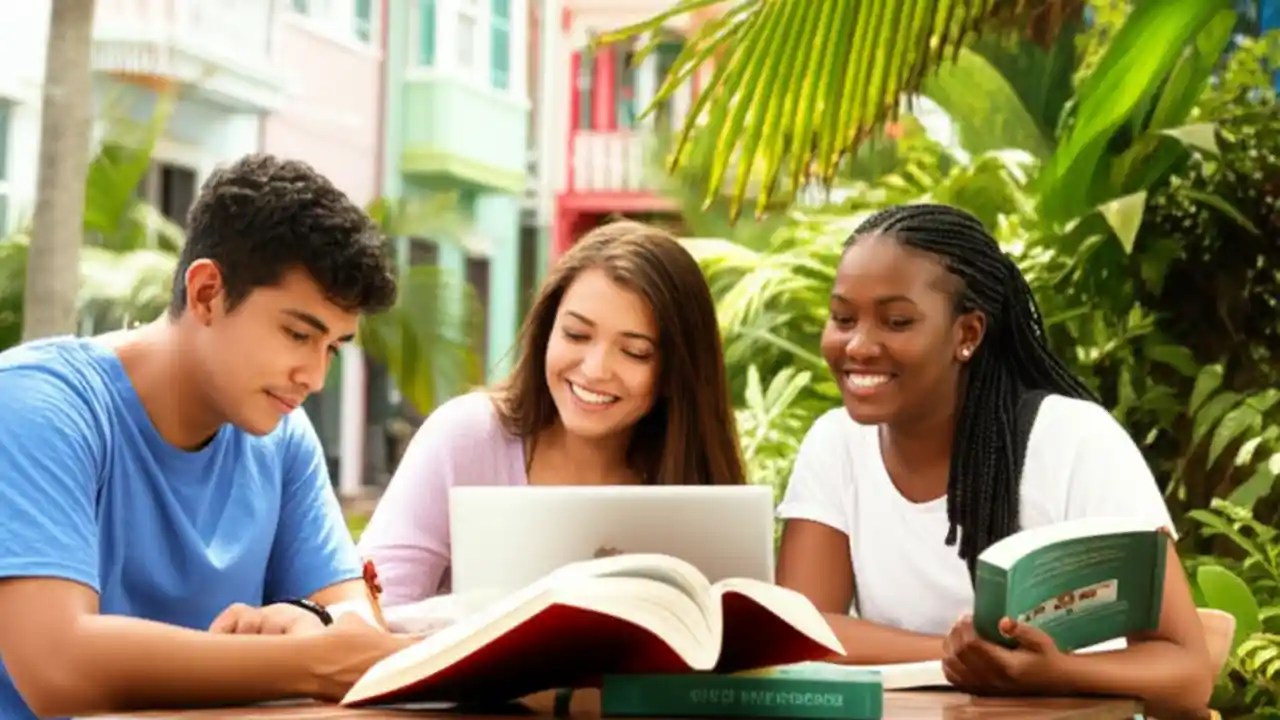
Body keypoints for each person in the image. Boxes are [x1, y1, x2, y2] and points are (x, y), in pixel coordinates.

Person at [0, 154, 416, 719]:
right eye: (298, 334)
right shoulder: (38, 405)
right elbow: (57, 668)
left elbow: (356, 629)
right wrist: (310, 661)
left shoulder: (283, 439)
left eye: (333, 349)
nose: (315, 377)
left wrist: (312, 621)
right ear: (206, 293)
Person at [773, 203, 1214, 718]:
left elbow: (1187, 674)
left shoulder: (1075, 442)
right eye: (843, 318)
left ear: (968, 334)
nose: (859, 345)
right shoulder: (836, 444)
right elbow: (797, 634)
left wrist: (1055, 673)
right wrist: (963, 658)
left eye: (896, 321)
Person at [358, 219, 746, 607]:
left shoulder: (693, 479)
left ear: (674, 372)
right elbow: (371, 612)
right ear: (547, 330)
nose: (594, 369)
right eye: (576, 335)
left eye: (634, 352)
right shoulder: (466, 437)